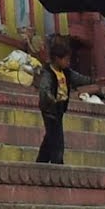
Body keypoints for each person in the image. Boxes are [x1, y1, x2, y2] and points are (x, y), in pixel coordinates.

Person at [32, 36, 81, 165]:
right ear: (58, 59)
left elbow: (79, 79)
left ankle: (41, 162)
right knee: (57, 139)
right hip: (50, 109)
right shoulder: (48, 72)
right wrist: (51, 99)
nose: (68, 62)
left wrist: (94, 81)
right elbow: (44, 88)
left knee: (50, 137)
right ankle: (57, 163)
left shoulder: (66, 72)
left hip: (60, 108)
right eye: (66, 59)